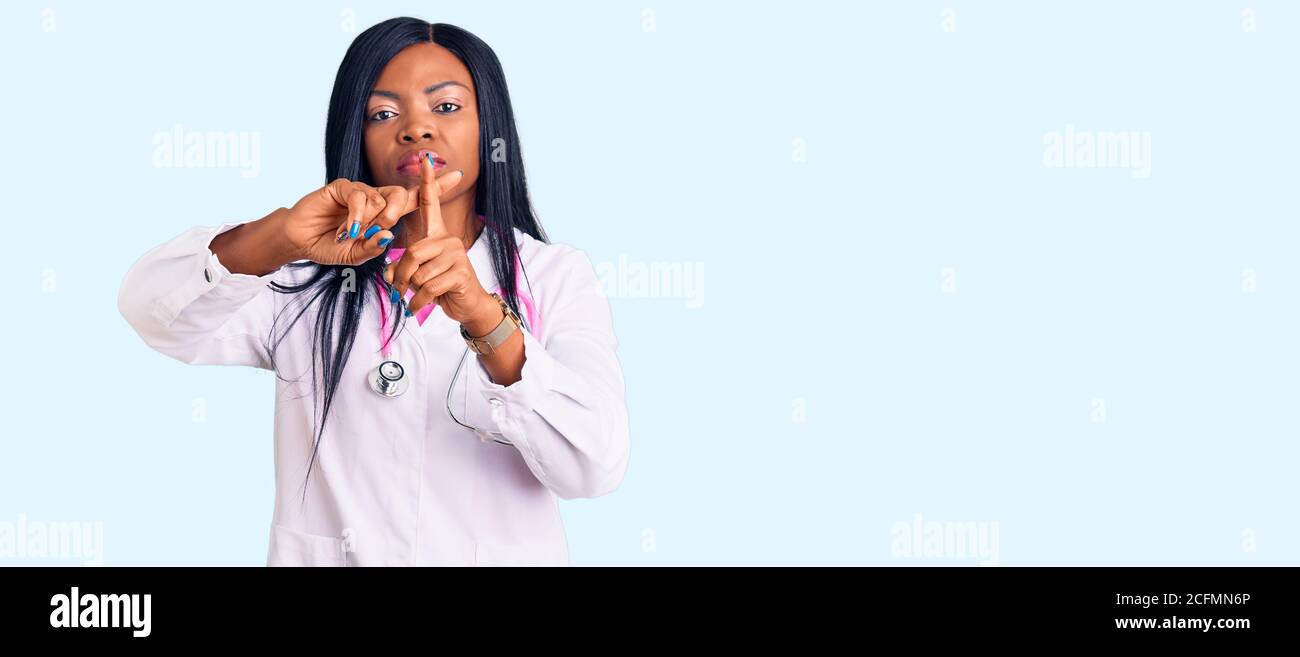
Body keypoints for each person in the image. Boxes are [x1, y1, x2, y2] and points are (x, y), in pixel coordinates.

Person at [116, 18, 630, 566]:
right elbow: (152, 310)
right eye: (384, 114)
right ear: (356, 137)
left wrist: (486, 319)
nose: (415, 129)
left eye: (447, 107)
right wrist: (280, 236)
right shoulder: (301, 277)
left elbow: (594, 467)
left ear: (490, 128)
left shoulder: (553, 275)